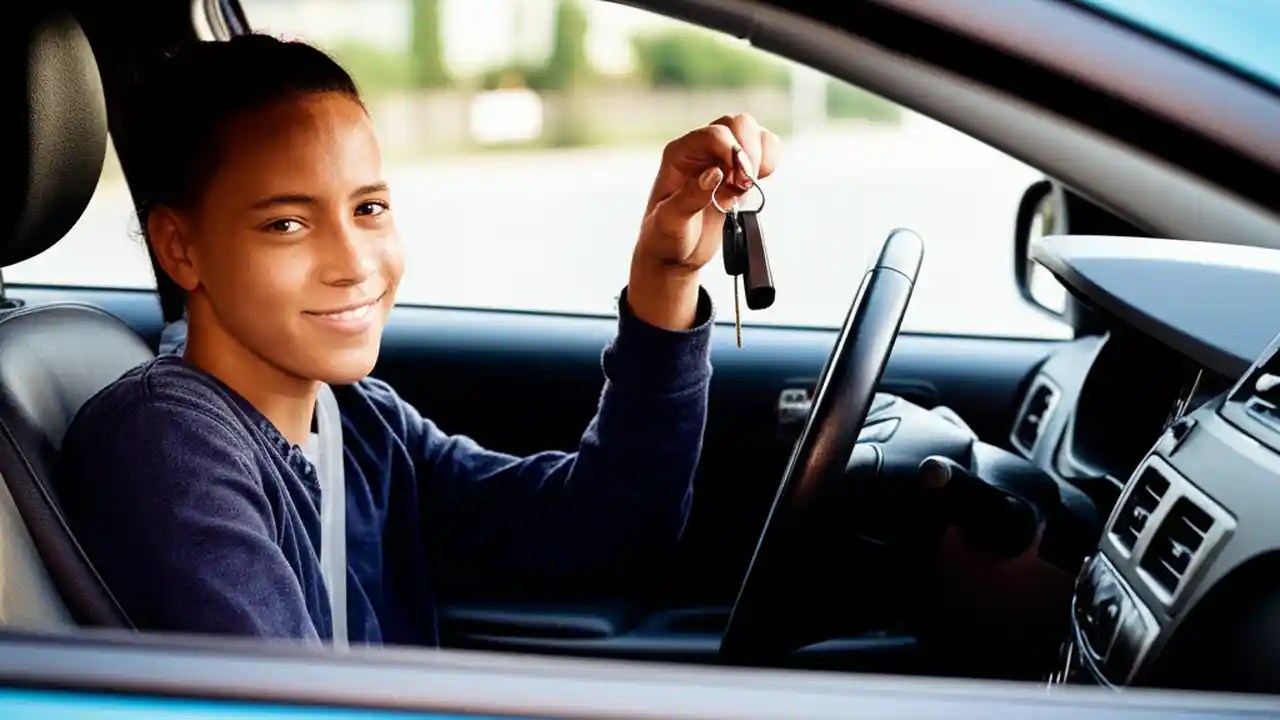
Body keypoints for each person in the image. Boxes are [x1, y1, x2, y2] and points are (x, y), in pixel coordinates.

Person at [57, 34, 779, 647]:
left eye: (369, 208)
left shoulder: (358, 422)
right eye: (287, 223)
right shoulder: (167, 442)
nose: (352, 263)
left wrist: (665, 275)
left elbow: (606, 533)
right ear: (180, 248)